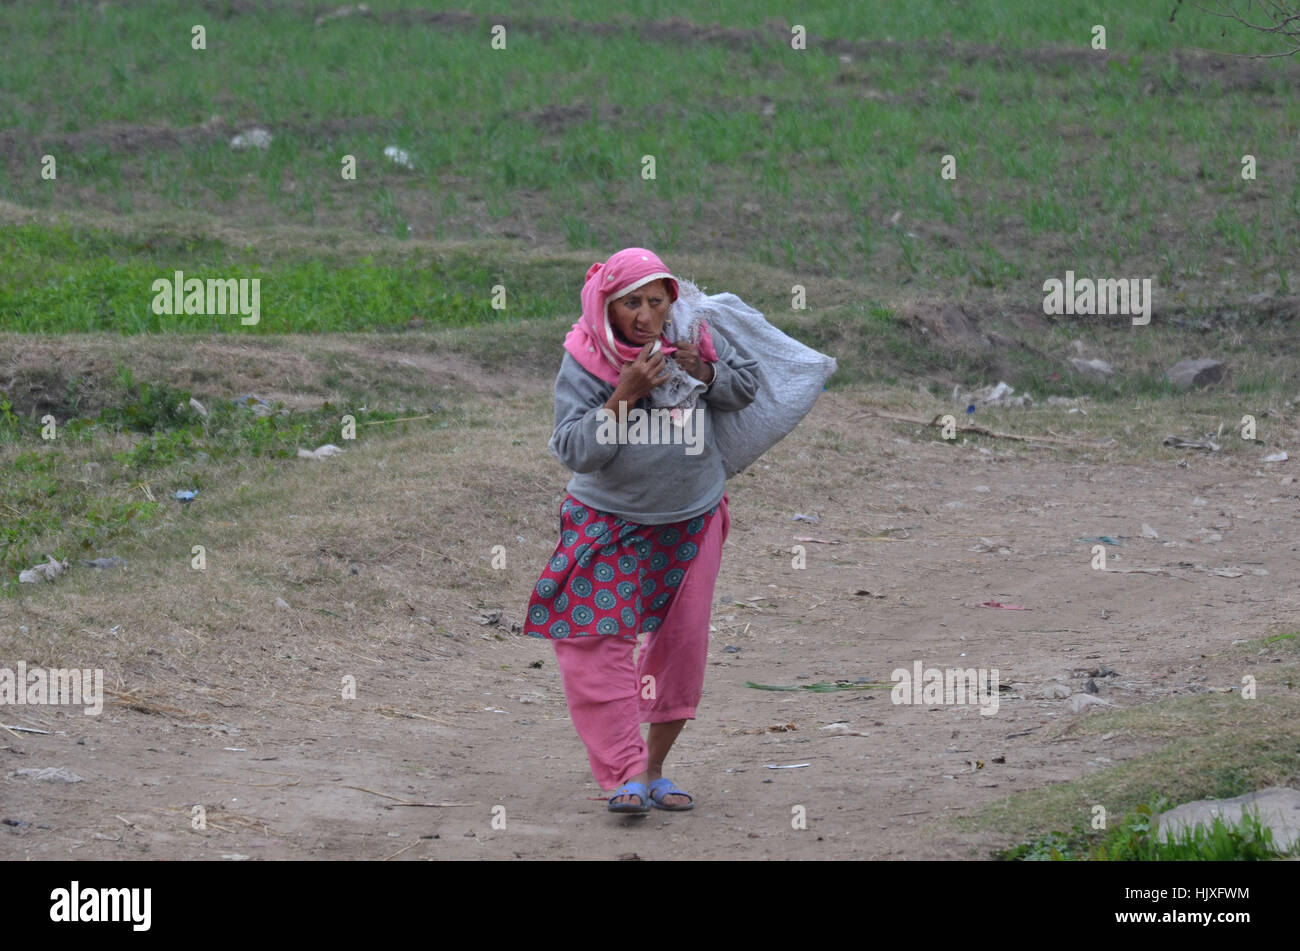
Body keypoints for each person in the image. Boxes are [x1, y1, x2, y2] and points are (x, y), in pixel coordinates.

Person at [525, 246, 759, 813]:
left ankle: (653, 768)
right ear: (607, 303)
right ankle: (623, 774)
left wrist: (703, 369)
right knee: (593, 642)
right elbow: (576, 451)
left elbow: (746, 387)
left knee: (680, 647)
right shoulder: (584, 359)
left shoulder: (693, 336)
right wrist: (624, 394)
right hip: (608, 524)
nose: (646, 315)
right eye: (632, 302)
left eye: (657, 301)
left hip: (692, 521)